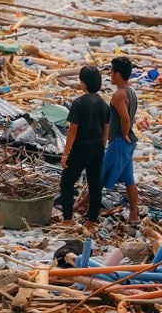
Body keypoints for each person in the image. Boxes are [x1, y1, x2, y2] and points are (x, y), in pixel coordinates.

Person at [58, 66, 111, 230]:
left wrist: (65, 155)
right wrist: (101, 147)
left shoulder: (79, 103)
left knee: (67, 182)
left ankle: (67, 219)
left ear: (84, 83)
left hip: (81, 148)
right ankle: (91, 222)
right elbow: (106, 130)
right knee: (95, 185)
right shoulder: (104, 104)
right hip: (97, 148)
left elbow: (72, 131)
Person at [103, 57, 140, 224]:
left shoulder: (118, 95)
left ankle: (85, 209)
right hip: (129, 142)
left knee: (99, 175)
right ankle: (134, 214)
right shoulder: (130, 92)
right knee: (129, 179)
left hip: (119, 141)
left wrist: (124, 133)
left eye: (111, 71)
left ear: (117, 74)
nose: (110, 74)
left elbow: (125, 119)